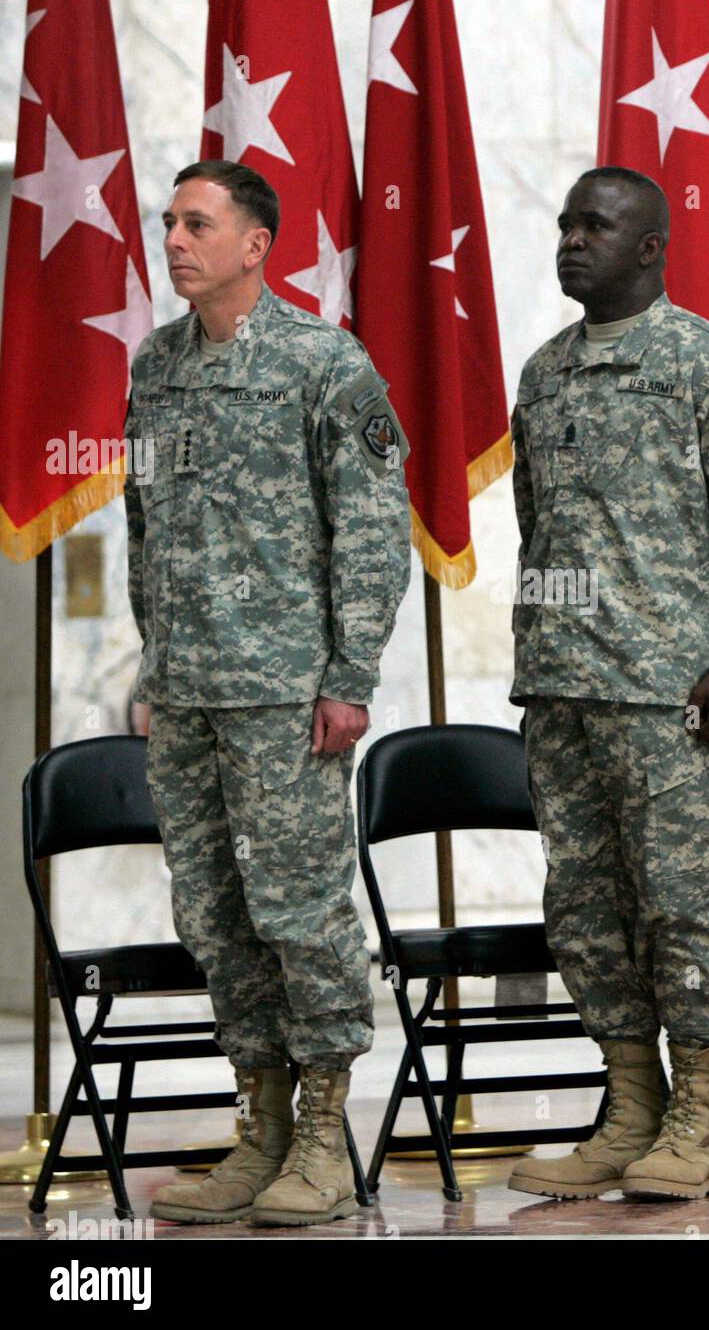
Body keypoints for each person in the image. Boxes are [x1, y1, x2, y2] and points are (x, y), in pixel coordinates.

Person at [506, 167, 709, 1201]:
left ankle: (692, 1118)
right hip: (560, 691)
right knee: (583, 908)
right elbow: (536, 519)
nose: (572, 239)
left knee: (677, 905)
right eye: (564, 223)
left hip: (672, 696)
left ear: (648, 247)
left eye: (597, 225)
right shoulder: (542, 374)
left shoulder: (705, 364)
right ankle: (627, 1103)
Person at [125, 160, 411, 1226]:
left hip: (287, 696)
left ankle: (327, 1135)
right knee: (215, 911)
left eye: (197, 224)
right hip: (188, 694)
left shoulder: (322, 362)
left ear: (257, 244)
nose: (175, 240)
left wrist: (347, 676)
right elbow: (145, 526)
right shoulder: (156, 366)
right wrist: (155, 664)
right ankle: (263, 1126)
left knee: (297, 908)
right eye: (169, 223)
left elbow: (374, 530)